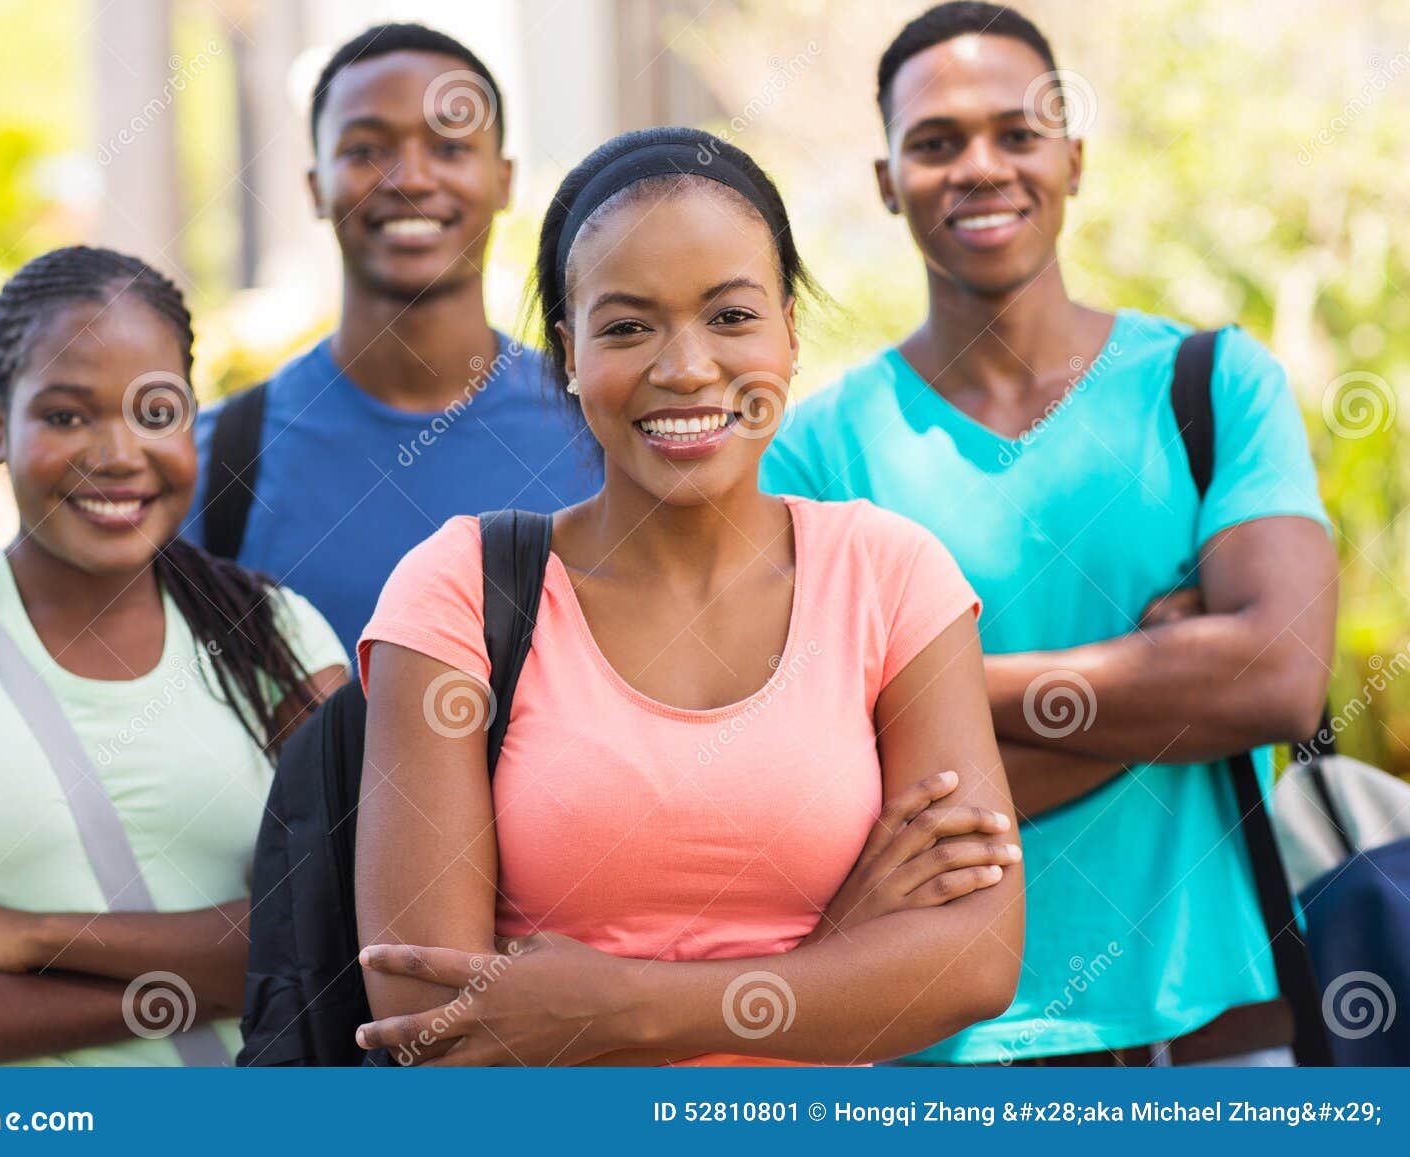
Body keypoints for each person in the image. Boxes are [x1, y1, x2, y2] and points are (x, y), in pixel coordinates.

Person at [347, 127, 1025, 1067]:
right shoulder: (459, 590)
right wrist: (837, 959)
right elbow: (430, 1020)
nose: (687, 367)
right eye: (627, 326)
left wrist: (618, 1003)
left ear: (789, 329)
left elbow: (974, 960)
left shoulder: (892, 575)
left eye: (731, 316)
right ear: (569, 354)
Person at [762, 2, 1337, 1065]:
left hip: (1219, 1033)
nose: (980, 166)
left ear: (1072, 159)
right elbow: (825, 785)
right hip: (938, 1054)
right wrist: (1166, 673)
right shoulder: (812, 454)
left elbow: (1278, 680)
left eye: (1015, 134)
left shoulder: (1208, 388)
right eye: (935, 142)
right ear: (887, 180)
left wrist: (928, 693)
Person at [0, 246, 350, 1066]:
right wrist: (234, 968)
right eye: (66, 416)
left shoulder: (279, 635)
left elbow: (344, 935)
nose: (118, 453)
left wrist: (37, 937)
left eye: (156, 413)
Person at [186, 23, 600, 650]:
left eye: (451, 147)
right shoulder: (218, 463)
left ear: (504, 180)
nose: (408, 177)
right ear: (315, 187)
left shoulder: (601, 430)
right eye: (365, 150)